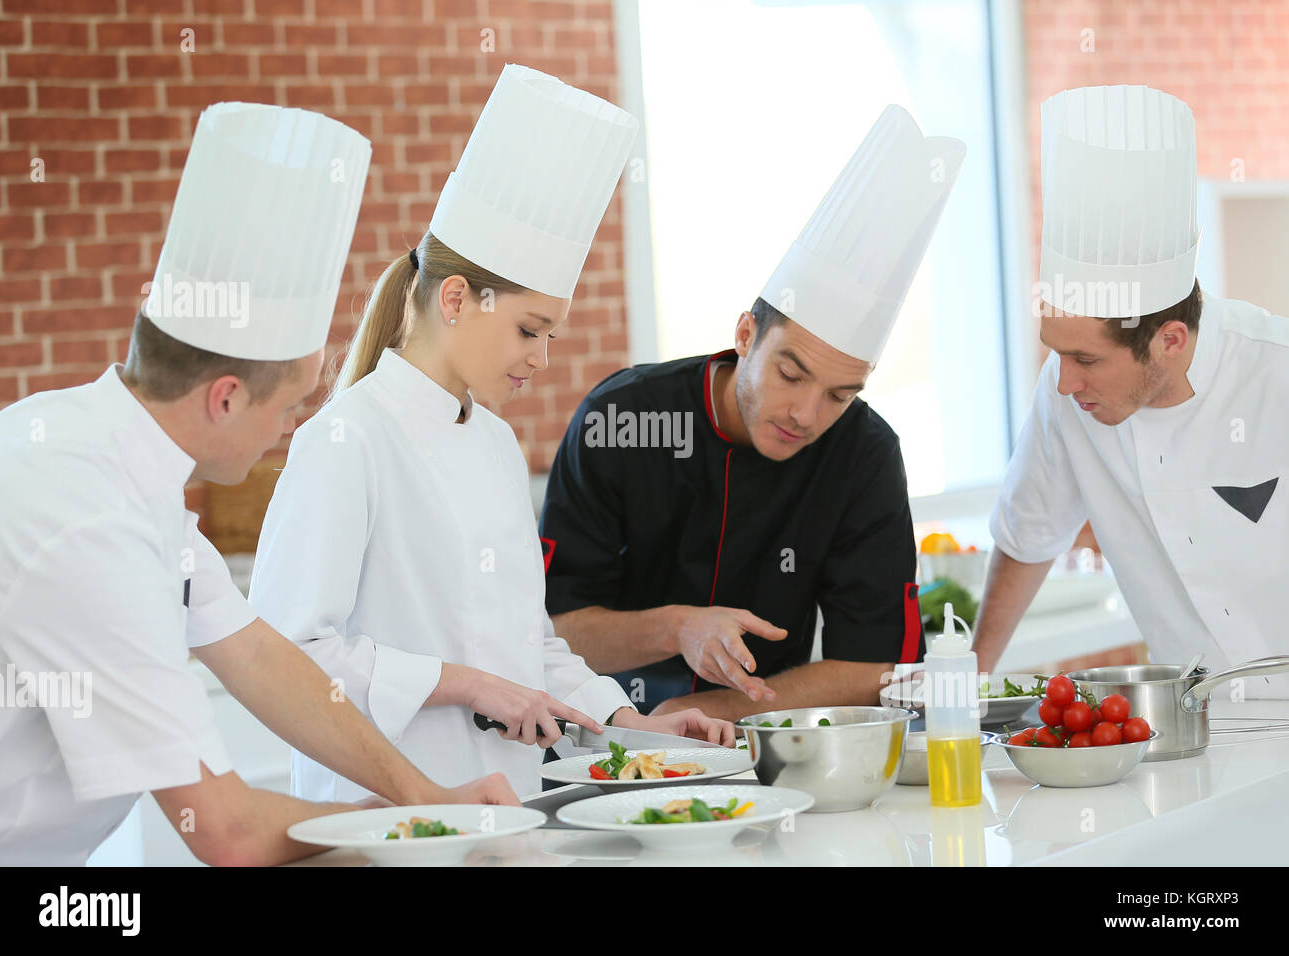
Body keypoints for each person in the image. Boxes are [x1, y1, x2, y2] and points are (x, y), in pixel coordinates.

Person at [0, 103, 516, 868]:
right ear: (227, 396)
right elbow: (227, 832)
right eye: (290, 403)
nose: (291, 430)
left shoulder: (101, 450)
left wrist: (422, 798)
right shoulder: (91, 524)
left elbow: (261, 658)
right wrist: (399, 830)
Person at [249, 65, 734, 803]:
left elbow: (529, 647)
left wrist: (631, 723)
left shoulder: (496, 445)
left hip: (506, 813)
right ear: (455, 299)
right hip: (382, 825)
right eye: (529, 330)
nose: (542, 357)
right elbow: (285, 659)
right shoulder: (348, 440)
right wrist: (462, 685)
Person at [539, 105, 967, 720]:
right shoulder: (620, 420)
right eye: (791, 373)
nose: (806, 414)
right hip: (608, 743)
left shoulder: (863, 453)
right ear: (745, 334)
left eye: (840, 394)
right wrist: (677, 628)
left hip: (770, 746)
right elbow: (552, 632)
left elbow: (883, 668)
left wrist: (721, 712)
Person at [972, 85, 1288, 698]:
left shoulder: (1276, 371)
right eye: (1056, 352)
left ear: (1169, 339)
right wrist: (965, 682)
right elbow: (1027, 534)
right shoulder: (1064, 396)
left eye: (1085, 358)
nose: (1065, 381)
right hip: (1197, 737)